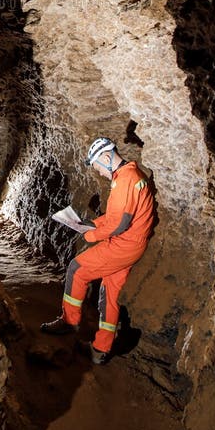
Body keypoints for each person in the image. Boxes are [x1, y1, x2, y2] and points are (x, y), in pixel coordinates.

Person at [41, 137, 154, 364]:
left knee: (77, 269)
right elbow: (117, 217)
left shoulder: (125, 181)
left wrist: (91, 234)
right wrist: (93, 223)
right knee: (109, 292)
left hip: (123, 245)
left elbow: (120, 224)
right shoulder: (132, 176)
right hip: (133, 243)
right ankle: (101, 349)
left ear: (106, 157)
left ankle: (69, 321)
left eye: (97, 167)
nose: (99, 172)